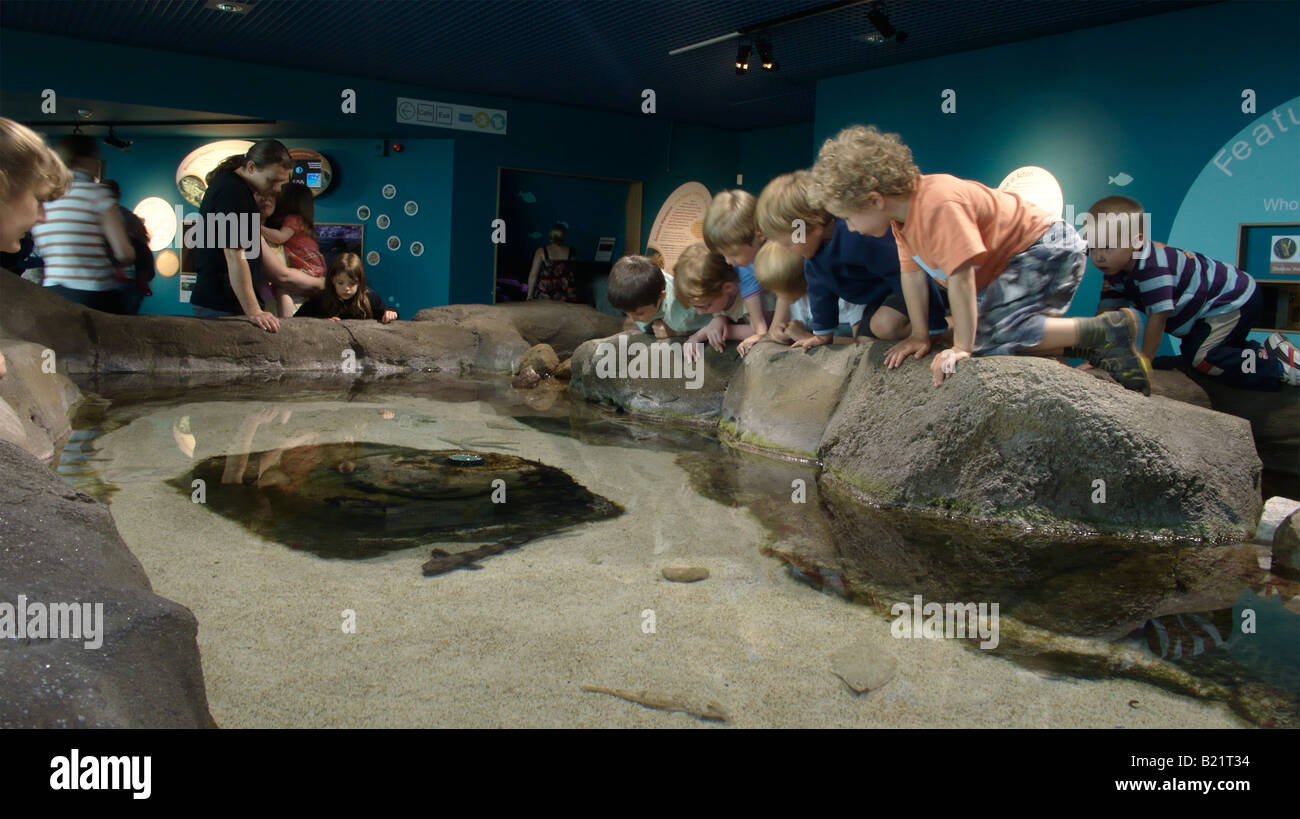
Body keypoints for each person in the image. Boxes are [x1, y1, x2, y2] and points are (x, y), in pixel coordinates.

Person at [810, 124, 1150, 392]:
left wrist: (961, 348)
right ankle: (1091, 346)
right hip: (1013, 263)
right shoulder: (902, 223)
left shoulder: (938, 202)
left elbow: (961, 278)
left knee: (982, 337)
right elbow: (911, 275)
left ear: (874, 200)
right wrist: (919, 334)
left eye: (848, 218)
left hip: (1045, 247)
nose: (850, 229)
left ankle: (1106, 331)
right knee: (993, 337)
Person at [1089, 195, 1294, 389]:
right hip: (1209, 310)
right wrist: (1095, 359)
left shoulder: (1153, 269)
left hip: (1233, 299)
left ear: (1137, 241)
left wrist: (1144, 361)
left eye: (1107, 247)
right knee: (1191, 350)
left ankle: (1277, 368)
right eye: (1092, 247)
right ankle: (1265, 351)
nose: (1098, 257)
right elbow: (1106, 318)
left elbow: (1157, 319)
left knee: (1203, 358)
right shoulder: (1115, 273)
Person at [758, 169, 947, 353]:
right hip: (881, 297)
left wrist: (931, 327)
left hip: (915, 286)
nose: (784, 249)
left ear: (814, 228)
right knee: (865, 342)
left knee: (885, 326)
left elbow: (905, 273)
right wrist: (823, 336)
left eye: (788, 244)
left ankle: (946, 328)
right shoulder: (814, 257)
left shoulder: (859, 235)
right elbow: (821, 295)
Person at [191, 140, 296, 331]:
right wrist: (254, 310)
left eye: (282, 183)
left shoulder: (236, 189)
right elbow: (235, 255)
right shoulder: (232, 192)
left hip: (225, 305)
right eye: (272, 180)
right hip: (221, 307)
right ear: (251, 167)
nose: (277, 189)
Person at [30, 134, 134, 313]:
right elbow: (123, 252)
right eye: (95, 157)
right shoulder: (97, 194)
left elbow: (40, 248)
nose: (97, 163)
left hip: (52, 290)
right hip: (93, 293)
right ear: (84, 159)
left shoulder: (45, 197)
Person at [702, 189, 773, 354]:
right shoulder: (744, 264)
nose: (728, 261)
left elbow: (787, 291)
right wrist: (761, 333)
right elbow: (750, 290)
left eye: (733, 254)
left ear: (759, 235)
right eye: (724, 254)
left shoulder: (779, 248)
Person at [753, 241, 864, 345]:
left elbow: (862, 343)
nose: (780, 298)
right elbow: (775, 332)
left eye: (780, 292)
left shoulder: (846, 294)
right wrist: (781, 333)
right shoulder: (797, 299)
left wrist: (806, 337)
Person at [672, 242, 763, 358]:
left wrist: (706, 333)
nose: (700, 312)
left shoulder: (749, 296)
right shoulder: (719, 296)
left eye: (705, 306)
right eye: (695, 306)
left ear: (727, 288)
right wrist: (720, 318)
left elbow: (761, 331)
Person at [606, 254, 712, 338]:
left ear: (661, 296)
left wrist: (675, 333)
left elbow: (715, 326)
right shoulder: (648, 277)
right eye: (626, 313)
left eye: (639, 313)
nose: (633, 319)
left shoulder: (682, 318)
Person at [101, 179, 154, 315]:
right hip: (132, 279)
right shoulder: (131, 217)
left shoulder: (103, 217)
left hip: (111, 279)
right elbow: (144, 245)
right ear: (118, 195)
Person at [294, 252, 397, 323]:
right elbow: (298, 319)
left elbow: (387, 310)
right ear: (332, 280)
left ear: (360, 283)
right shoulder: (321, 298)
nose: (346, 288)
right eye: (340, 283)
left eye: (352, 284)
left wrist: (391, 313)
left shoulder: (368, 297)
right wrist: (322, 322)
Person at [527, 223, 578, 302]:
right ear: (564, 236)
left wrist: (529, 296)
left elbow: (533, 275)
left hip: (546, 295)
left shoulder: (541, 251)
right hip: (566, 295)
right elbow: (574, 275)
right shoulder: (572, 252)